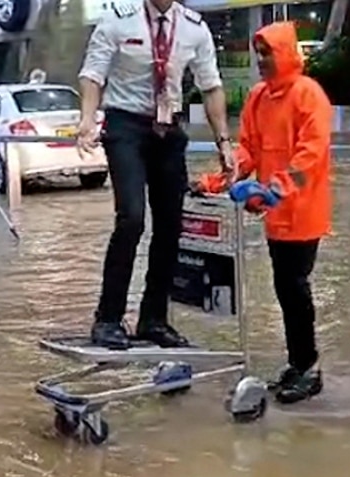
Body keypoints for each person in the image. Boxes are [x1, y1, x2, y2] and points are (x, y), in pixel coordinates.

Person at [75, 0, 234, 350]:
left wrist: (224, 142)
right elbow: (93, 74)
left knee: (171, 226)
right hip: (125, 126)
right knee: (131, 218)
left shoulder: (194, 27)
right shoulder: (117, 20)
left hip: (168, 130)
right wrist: (87, 120)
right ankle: (108, 318)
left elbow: (211, 86)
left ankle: (153, 319)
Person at [203, 22, 332, 403]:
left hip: (304, 211)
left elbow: (310, 155)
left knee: (295, 287)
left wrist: (275, 188)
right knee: (285, 289)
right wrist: (217, 180)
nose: (261, 61)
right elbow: (248, 151)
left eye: (267, 53)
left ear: (286, 54)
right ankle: (298, 364)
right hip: (274, 214)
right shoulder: (259, 98)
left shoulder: (309, 96)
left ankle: (308, 368)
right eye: (258, 54)